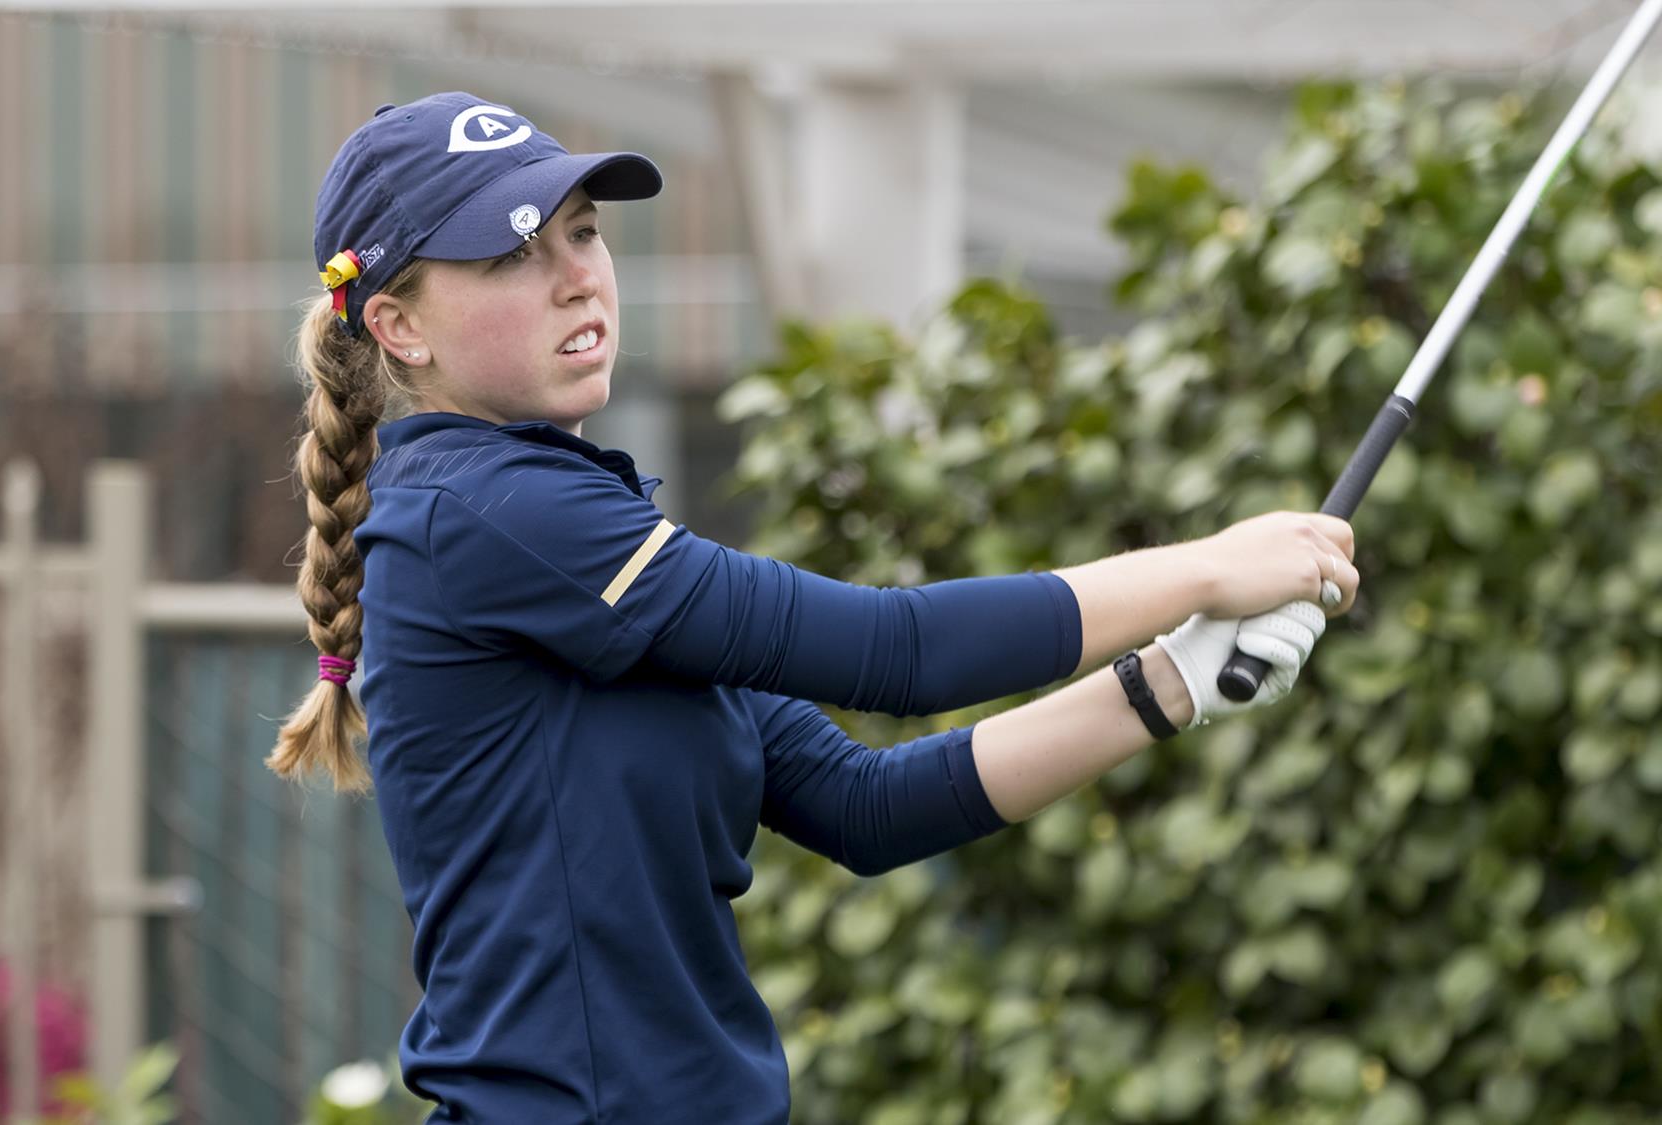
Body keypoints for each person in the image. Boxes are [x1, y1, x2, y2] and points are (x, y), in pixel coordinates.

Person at [270, 91, 1360, 1124]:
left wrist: (1169, 680)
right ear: (398, 327)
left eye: (583, 232)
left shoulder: (562, 524)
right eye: (511, 251)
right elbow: (897, 652)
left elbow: (862, 804)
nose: (575, 278)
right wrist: (1209, 567)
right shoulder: (487, 513)